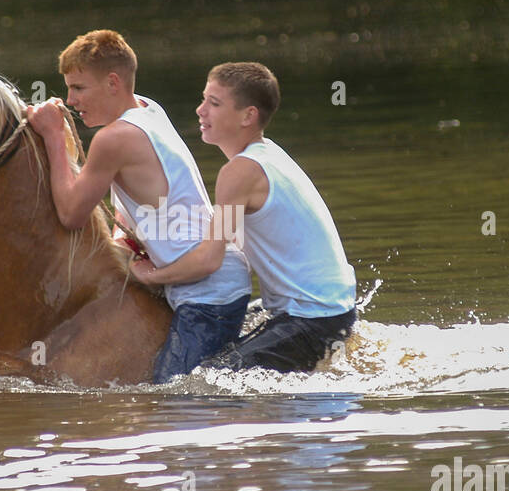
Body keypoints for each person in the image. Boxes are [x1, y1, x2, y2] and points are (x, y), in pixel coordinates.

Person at [25, 30, 252, 382]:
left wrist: (54, 137)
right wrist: (124, 245)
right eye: (68, 88)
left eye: (79, 88)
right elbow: (132, 205)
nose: (70, 100)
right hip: (212, 275)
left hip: (209, 292)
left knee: (174, 397)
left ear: (113, 82)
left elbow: (71, 215)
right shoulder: (148, 109)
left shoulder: (114, 139)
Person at [129, 61, 356, 372]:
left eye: (214, 103)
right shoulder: (266, 154)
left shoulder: (240, 172)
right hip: (331, 310)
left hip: (314, 319)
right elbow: (229, 241)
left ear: (248, 115)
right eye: (204, 99)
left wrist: (149, 276)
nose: (200, 111)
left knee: (207, 380)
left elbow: (210, 260)